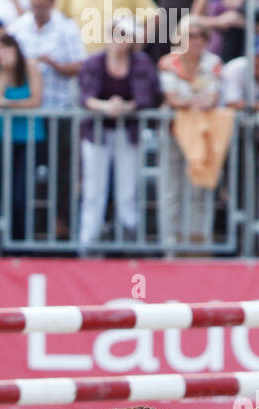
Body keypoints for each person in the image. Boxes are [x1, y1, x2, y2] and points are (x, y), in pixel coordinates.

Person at [7, 0, 85, 240]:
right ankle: (18, 230)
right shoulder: (17, 28)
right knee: (19, 173)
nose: (39, 6)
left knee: (63, 172)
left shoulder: (67, 28)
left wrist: (53, 64)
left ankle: (62, 227)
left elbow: (80, 65)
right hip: (25, 115)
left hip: (58, 111)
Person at [78, 18, 158, 249]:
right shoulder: (95, 62)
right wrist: (106, 107)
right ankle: (88, 244)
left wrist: (124, 107)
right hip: (97, 133)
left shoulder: (141, 63)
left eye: (127, 36)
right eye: (118, 34)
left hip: (128, 133)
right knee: (94, 191)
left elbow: (146, 98)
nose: (121, 41)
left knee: (127, 191)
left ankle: (130, 244)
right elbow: (86, 96)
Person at [159, 15, 226, 250]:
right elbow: (172, 98)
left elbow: (214, 96)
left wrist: (189, 102)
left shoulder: (213, 63)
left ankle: (198, 244)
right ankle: (171, 244)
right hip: (174, 133)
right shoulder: (168, 62)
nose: (196, 40)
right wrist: (194, 101)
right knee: (172, 191)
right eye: (191, 35)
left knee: (200, 189)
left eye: (201, 35)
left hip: (202, 134)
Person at [0, 31, 44, 240]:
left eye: (6, 48)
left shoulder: (30, 67)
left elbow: (36, 100)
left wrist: (7, 104)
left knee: (21, 192)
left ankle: (23, 239)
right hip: (1, 139)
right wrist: (5, 72)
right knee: (2, 191)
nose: (2, 53)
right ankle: (5, 240)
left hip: (29, 139)